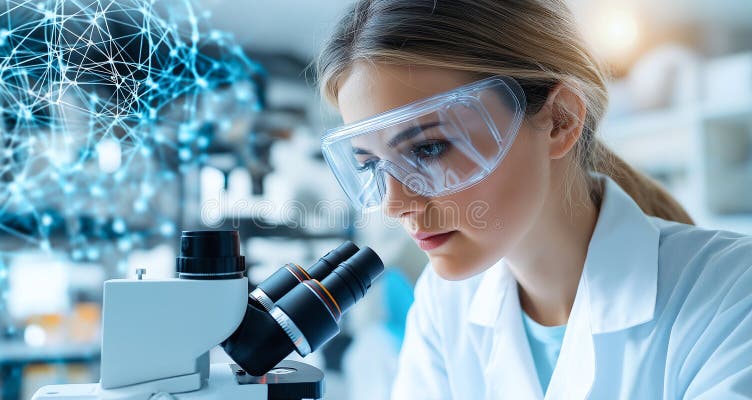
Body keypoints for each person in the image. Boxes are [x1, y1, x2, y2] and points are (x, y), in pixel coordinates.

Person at [314, 1, 752, 399]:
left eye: (428, 149)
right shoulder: (444, 304)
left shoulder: (733, 293)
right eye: (372, 164)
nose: (394, 203)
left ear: (560, 121)